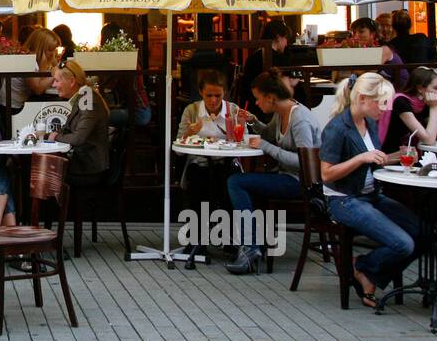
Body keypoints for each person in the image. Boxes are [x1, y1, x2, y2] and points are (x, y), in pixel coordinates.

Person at [319, 72, 420, 308]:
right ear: (363, 98)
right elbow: (327, 174)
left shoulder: (369, 123)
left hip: (370, 195)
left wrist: (400, 156)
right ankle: (361, 267)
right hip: (344, 199)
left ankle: (371, 274)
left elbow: (375, 159)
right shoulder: (337, 128)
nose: (384, 109)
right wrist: (361, 158)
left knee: (423, 232)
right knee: (403, 244)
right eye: (381, 102)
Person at [225, 69, 320, 274]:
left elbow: (307, 163)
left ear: (271, 97)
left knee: (236, 182)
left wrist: (266, 147)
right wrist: (253, 121)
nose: (257, 103)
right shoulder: (282, 112)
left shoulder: (299, 119)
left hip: (302, 182)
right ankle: (252, 245)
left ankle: (250, 248)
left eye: (258, 99)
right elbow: (269, 133)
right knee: (240, 183)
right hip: (285, 176)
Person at [0, 27, 60, 227]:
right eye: (50, 50)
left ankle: (13, 220)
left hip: (15, 112)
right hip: (9, 113)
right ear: (40, 48)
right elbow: (37, 87)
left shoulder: (33, 60)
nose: (53, 55)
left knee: (10, 166)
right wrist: (54, 74)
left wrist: (52, 66)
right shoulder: (28, 60)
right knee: (10, 164)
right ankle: (16, 220)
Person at [175, 69, 248, 257]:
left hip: (227, 162)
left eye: (218, 95)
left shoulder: (232, 110)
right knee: (199, 183)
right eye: (209, 95)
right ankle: (197, 238)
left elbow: (243, 142)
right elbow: (177, 147)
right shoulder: (191, 111)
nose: (213, 100)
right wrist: (190, 133)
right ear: (201, 92)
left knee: (231, 183)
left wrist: (238, 128)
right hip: (199, 163)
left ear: (225, 93)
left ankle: (227, 237)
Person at [45, 59, 110, 182]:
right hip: (82, 165)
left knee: (45, 175)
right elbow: (66, 130)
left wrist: (55, 137)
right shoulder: (84, 97)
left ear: (71, 81)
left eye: (57, 81)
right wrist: (45, 136)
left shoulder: (87, 100)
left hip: (89, 169)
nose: (53, 85)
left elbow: (78, 138)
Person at [379, 67, 437, 154]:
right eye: (436, 88)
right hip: (390, 152)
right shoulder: (401, 101)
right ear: (420, 88)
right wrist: (434, 108)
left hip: (410, 153)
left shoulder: (423, 103)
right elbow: (429, 140)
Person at [239, 19, 291, 115]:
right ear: (278, 37)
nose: (286, 43)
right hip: (272, 110)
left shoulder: (252, 58)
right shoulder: (282, 60)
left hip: (251, 108)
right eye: (286, 38)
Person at [349, 17, 407, 90]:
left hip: (400, 93)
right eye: (354, 32)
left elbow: (368, 74)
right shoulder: (367, 50)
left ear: (372, 34)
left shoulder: (384, 50)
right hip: (383, 90)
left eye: (361, 32)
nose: (356, 36)